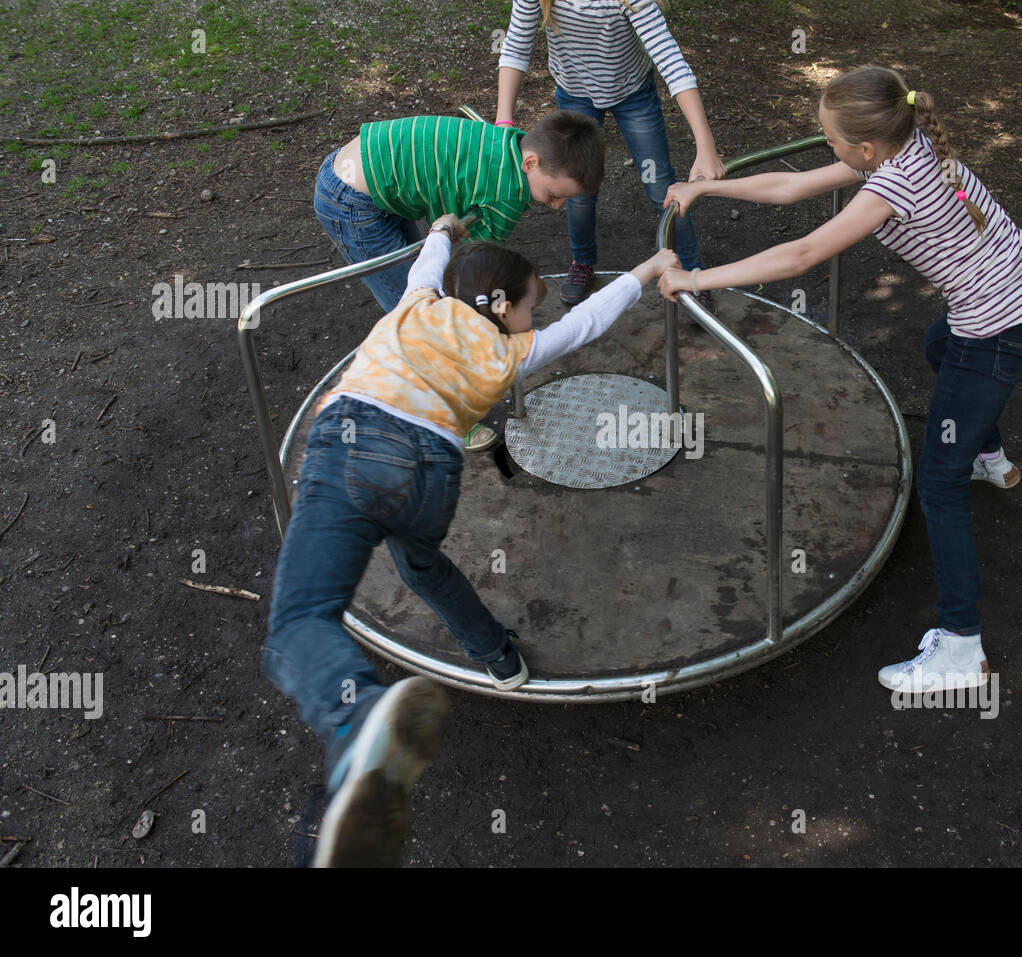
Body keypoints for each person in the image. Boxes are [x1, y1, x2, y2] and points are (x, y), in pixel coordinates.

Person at [263, 213, 680, 865]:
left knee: (297, 622)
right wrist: (647, 269)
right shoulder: (510, 352)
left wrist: (441, 229)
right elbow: (590, 321)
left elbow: (428, 263)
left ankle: (356, 717)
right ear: (505, 307)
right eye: (531, 310)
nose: (534, 323)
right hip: (430, 473)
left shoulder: (420, 301)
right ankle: (498, 656)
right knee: (422, 565)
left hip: (356, 442)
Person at [658, 66, 1022, 695]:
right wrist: (709, 190)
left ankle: (961, 650)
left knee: (938, 483)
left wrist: (694, 279)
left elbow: (801, 253)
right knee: (939, 346)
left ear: (866, 148)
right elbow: (792, 190)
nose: (829, 148)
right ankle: (992, 456)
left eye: (832, 139)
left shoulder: (891, 186)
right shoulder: (908, 142)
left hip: (1002, 325)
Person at [315, 110, 604, 451]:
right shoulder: (506, 196)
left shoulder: (509, 144)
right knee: (416, 317)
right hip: (353, 203)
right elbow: (471, 270)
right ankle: (441, 415)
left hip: (357, 173)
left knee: (424, 285)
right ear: (530, 163)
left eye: (566, 200)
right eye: (555, 194)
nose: (556, 206)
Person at [495, 0, 724, 307]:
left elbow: (671, 61)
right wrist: (503, 124)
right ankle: (582, 263)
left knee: (660, 187)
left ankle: (694, 274)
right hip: (575, 94)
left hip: (633, 94)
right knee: (576, 189)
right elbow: (515, 47)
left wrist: (705, 146)